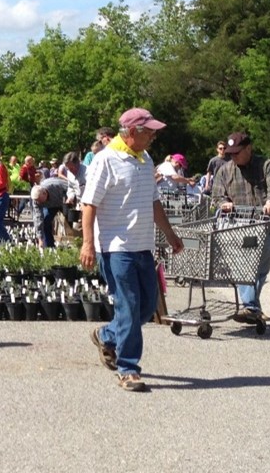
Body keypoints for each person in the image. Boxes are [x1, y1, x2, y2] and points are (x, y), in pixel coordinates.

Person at [82, 107, 184, 392]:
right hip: (116, 249)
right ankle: (128, 369)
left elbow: (153, 203)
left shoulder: (144, 158)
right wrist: (88, 244)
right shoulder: (105, 161)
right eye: (148, 131)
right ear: (130, 132)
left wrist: (170, 234)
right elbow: (88, 205)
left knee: (147, 307)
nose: (153, 136)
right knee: (128, 306)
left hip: (143, 246)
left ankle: (107, 334)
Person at [210, 132, 270, 322]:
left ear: (248, 149)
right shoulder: (224, 170)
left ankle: (253, 307)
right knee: (243, 267)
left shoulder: (266, 165)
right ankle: (250, 306)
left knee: (261, 270)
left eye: (237, 153)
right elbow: (216, 195)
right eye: (230, 153)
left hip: (265, 226)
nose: (233, 156)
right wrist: (223, 202)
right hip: (237, 227)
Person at [30, 169, 74, 248]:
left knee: (72, 221)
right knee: (45, 222)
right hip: (51, 206)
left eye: (39, 200)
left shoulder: (56, 185)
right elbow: (37, 218)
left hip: (65, 200)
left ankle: (78, 242)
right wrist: (40, 238)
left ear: (44, 193)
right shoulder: (36, 200)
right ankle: (50, 247)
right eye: (37, 201)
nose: (38, 203)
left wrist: (71, 198)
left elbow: (73, 187)